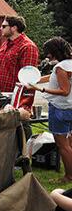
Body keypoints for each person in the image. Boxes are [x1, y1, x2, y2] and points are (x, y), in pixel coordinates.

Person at [25, 37, 72, 184]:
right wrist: (35, 80)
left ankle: (69, 176)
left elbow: (65, 90)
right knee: (69, 144)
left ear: (54, 51)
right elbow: (54, 78)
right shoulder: (67, 65)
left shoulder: (60, 67)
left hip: (60, 109)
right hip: (69, 108)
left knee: (63, 145)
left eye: (48, 52)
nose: (47, 55)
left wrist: (41, 89)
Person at [0, 15, 39, 122]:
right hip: (0, 94)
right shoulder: (5, 44)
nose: (0, 28)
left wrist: (24, 104)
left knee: (19, 128)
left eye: (3, 26)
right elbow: (0, 64)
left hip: (15, 96)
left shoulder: (28, 47)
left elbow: (29, 78)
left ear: (14, 28)